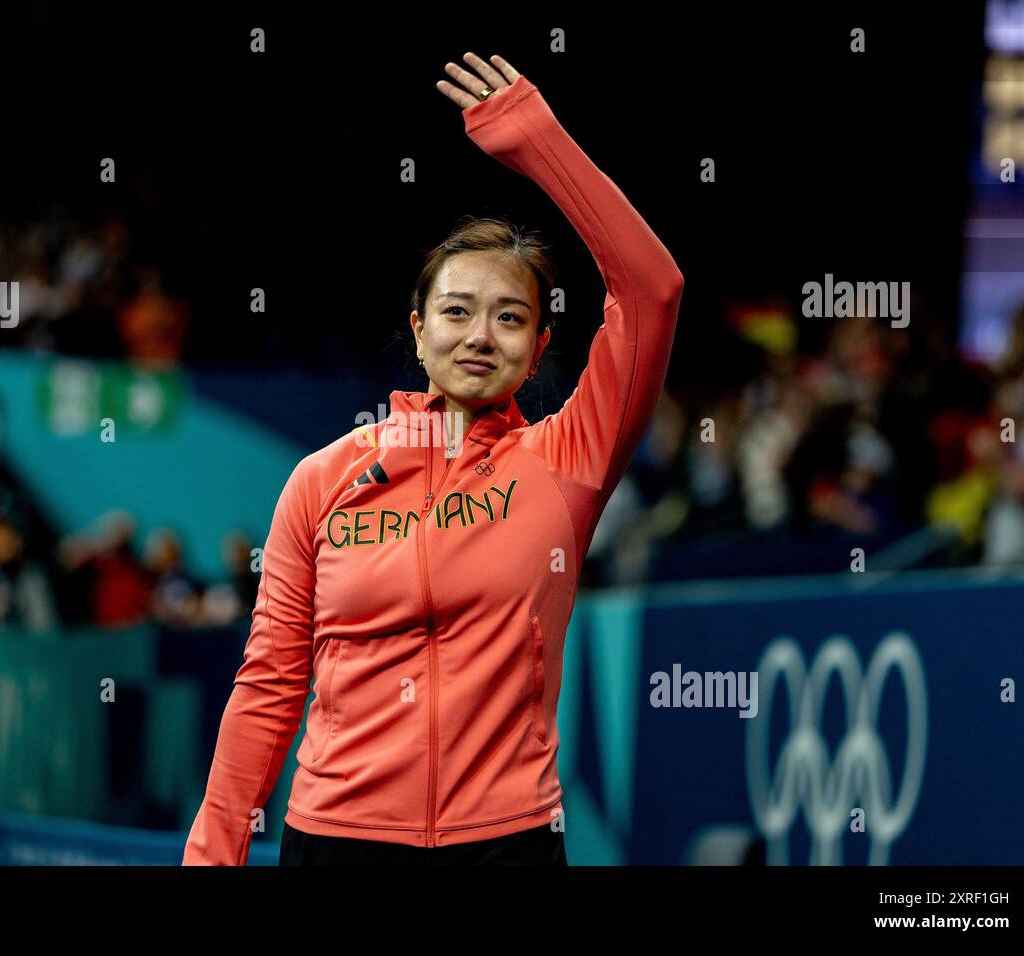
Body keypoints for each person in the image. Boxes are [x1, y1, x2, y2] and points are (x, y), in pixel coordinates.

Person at [181, 53, 683, 866]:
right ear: (418, 330)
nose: (480, 334)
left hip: (506, 846)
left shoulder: (566, 463)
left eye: (510, 317)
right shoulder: (321, 480)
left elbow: (653, 289)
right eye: (456, 310)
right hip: (335, 843)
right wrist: (213, 853)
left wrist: (538, 144)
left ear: (539, 347)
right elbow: (270, 686)